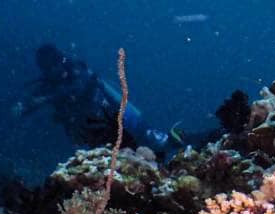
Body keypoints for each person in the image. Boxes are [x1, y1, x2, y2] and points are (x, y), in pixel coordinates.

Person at [16, 43, 175, 153]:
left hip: (117, 120)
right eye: (47, 68)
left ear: (60, 61)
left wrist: (46, 99)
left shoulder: (77, 70)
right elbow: (27, 105)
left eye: (54, 65)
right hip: (90, 135)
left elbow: (78, 88)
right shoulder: (48, 85)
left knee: (154, 141)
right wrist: (24, 106)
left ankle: (189, 145)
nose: (53, 71)